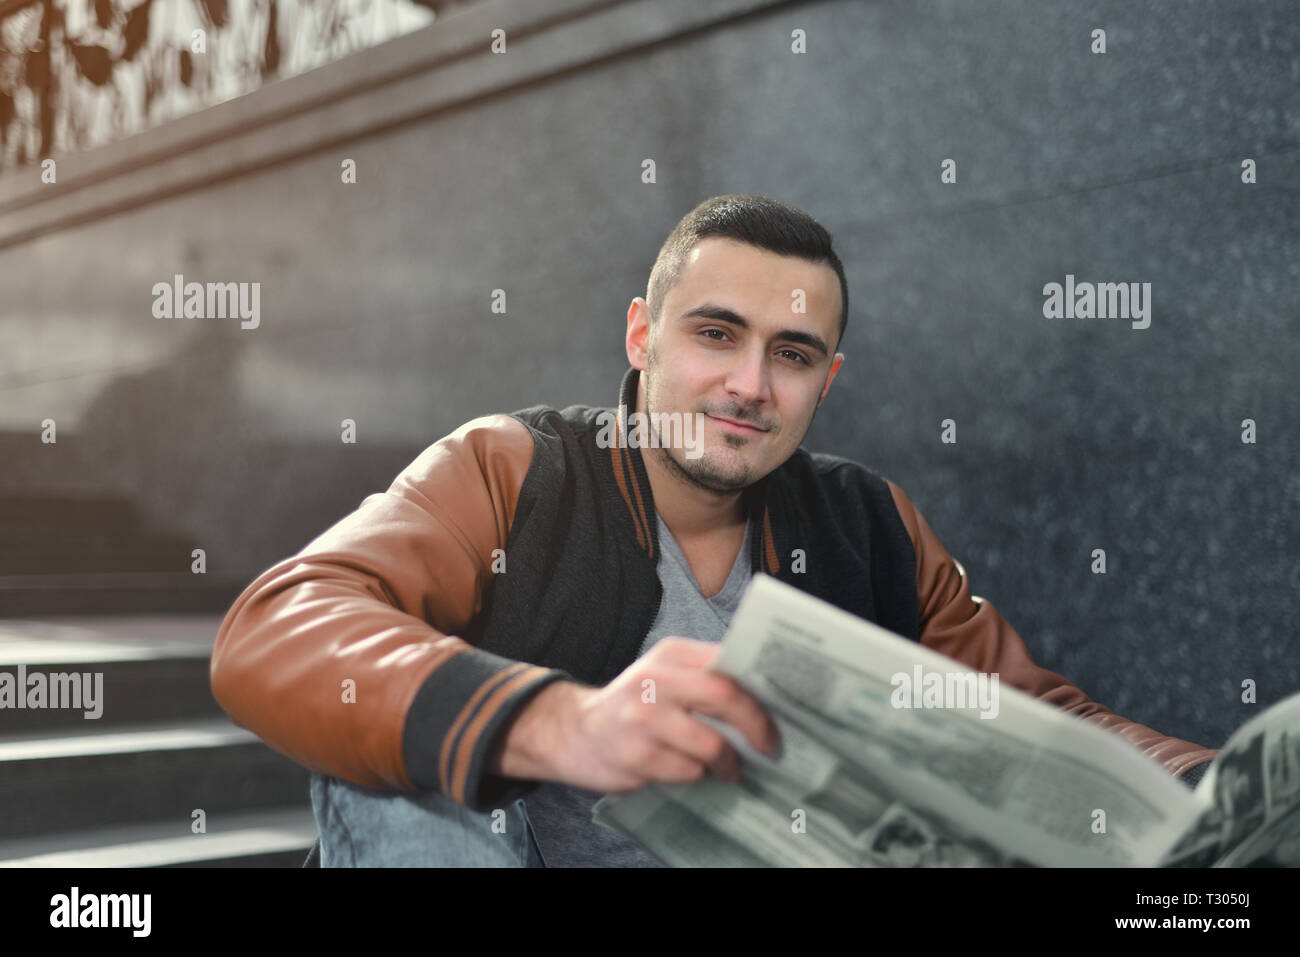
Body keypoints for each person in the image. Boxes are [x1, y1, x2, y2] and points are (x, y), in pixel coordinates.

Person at [210, 194, 1219, 867]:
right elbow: (279, 624)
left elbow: (1035, 727)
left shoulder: (868, 522)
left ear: (825, 383)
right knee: (404, 787)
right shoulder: (511, 468)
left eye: (789, 354)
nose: (746, 385)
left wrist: (1218, 787)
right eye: (714, 334)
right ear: (642, 334)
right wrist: (558, 723)